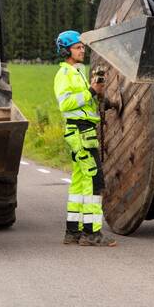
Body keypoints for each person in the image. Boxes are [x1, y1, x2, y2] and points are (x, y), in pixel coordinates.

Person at [54, 31, 116, 247]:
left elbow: (84, 101)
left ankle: (72, 232)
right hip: (80, 133)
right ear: (66, 51)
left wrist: (98, 95)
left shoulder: (77, 72)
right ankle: (91, 233)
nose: (83, 50)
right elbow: (66, 104)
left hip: (82, 132)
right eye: (78, 47)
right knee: (94, 181)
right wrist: (91, 90)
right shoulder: (65, 74)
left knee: (80, 183)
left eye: (82, 46)